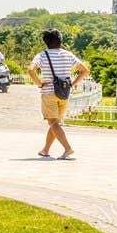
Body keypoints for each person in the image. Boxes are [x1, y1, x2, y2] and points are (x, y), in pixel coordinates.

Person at [27, 28, 90, 160]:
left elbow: (31, 70)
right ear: (60, 40)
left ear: (46, 42)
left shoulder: (42, 55)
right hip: (64, 93)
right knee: (55, 123)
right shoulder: (68, 54)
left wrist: (39, 84)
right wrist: (73, 84)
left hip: (49, 93)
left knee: (53, 123)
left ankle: (68, 149)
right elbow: (85, 70)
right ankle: (45, 150)